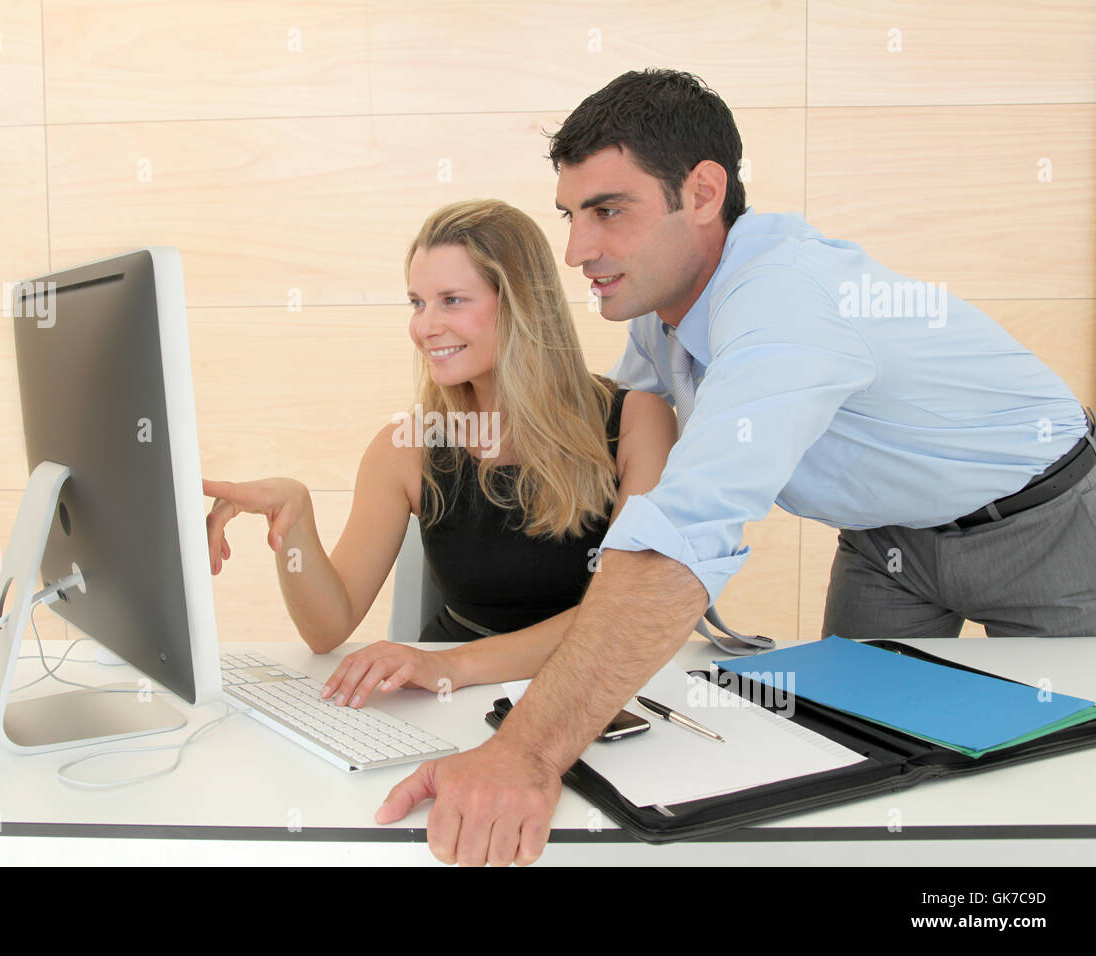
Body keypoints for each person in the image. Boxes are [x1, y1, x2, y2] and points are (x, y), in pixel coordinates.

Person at [372, 68, 1096, 866]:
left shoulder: (785, 299)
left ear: (704, 192)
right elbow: (621, 449)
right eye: (571, 215)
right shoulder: (661, 317)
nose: (578, 250)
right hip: (886, 544)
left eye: (609, 211)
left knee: (1065, 779)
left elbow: (681, 530)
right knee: (853, 766)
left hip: (1046, 524)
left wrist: (531, 754)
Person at [202, 198, 675, 709]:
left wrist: (453, 665)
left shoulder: (637, 423)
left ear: (520, 304)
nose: (424, 326)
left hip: (590, 693)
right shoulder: (405, 448)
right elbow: (326, 629)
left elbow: (628, 611)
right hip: (446, 705)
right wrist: (292, 516)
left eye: (452, 300)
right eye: (417, 302)